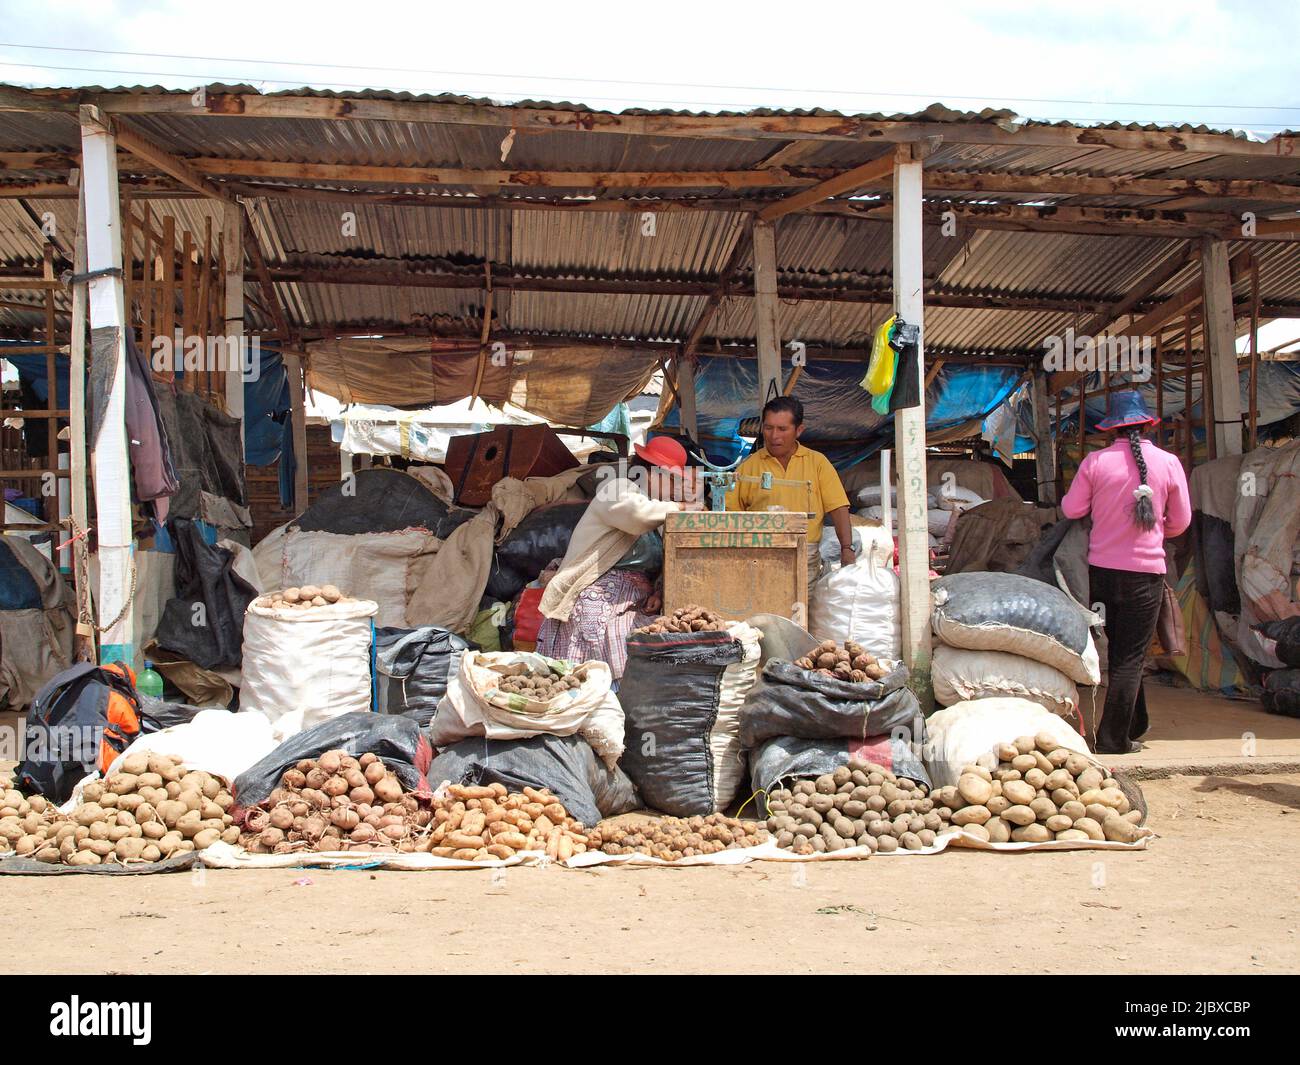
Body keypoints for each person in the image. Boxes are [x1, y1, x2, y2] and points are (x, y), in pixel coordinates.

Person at [1060, 390, 1191, 754]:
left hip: (1102, 574)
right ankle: (1115, 738)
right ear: (1148, 424)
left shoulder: (1095, 462)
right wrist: (1156, 529)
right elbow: (1181, 522)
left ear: (1109, 430)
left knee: (1120, 652)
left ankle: (1135, 722)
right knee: (1130, 657)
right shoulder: (1169, 462)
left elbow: (1072, 509)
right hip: (1146, 576)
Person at [536, 436, 690, 681]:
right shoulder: (617, 490)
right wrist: (681, 508)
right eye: (673, 481)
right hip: (595, 590)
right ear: (653, 473)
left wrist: (658, 592)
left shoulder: (660, 513)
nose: (675, 490)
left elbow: (663, 563)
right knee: (614, 637)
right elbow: (637, 516)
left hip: (636, 599)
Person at [724, 396, 854, 595]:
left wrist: (847, 548)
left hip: (805, 555)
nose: (774, 435)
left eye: (782, 429)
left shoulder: (817, 463)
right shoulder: (749, 466)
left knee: (801, 610)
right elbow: (730, 514)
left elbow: (838, 507)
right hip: (759, 556)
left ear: (798, 430)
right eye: (768, 428)